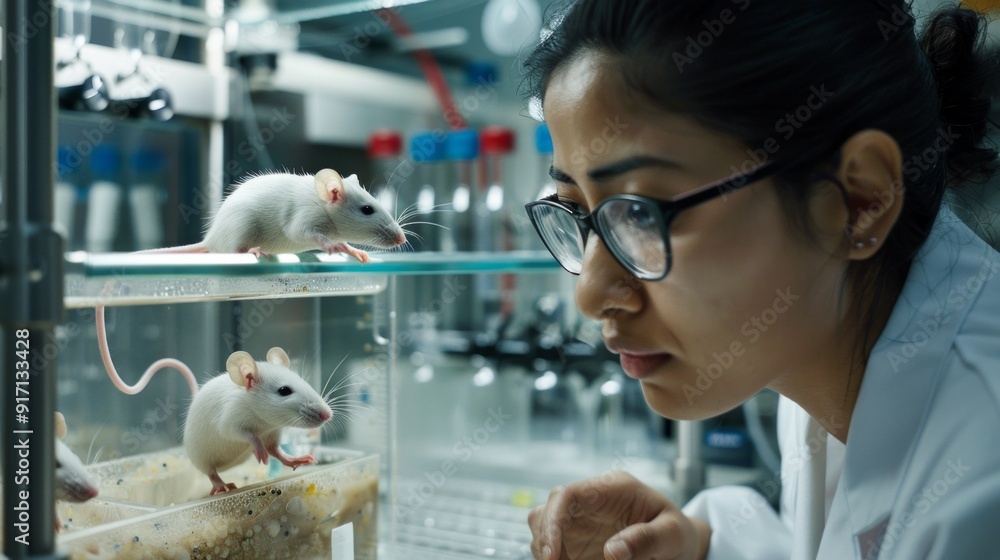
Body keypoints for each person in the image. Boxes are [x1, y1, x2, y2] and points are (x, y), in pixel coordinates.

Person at [521, 1, 1000, 559]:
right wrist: (695, 546)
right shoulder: (827, 353)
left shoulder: (980, 489)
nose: (590, 293)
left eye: (641, 213)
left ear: (860, 198)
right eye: (576, 210)